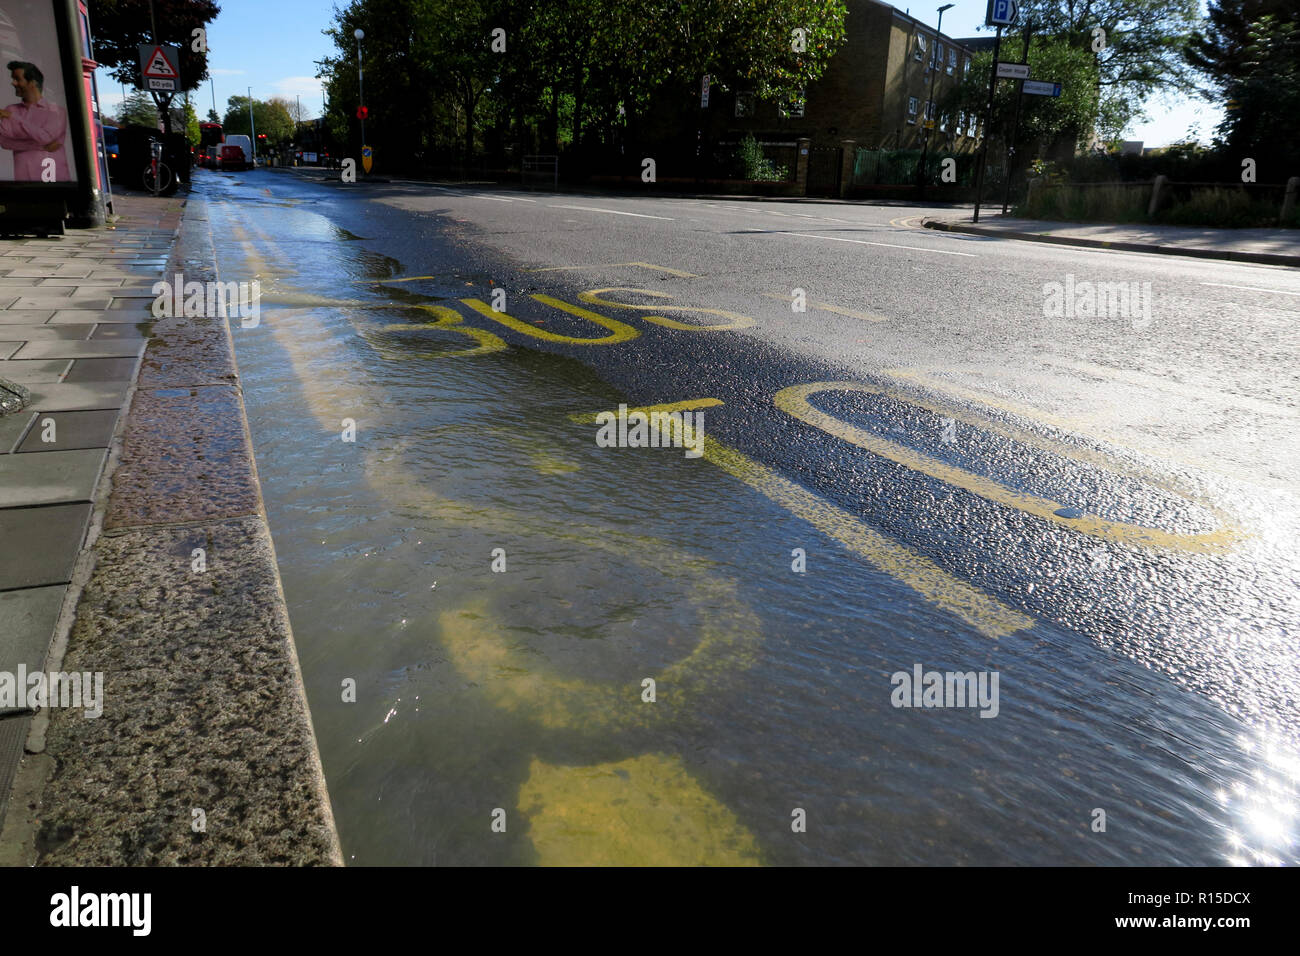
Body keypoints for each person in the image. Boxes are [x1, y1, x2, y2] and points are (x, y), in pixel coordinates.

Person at [0, 61, 70, 181]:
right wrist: (42, 147)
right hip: (23, 183)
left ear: (32, 83)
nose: (13, 83)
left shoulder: (56, 111)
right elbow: (4, 142)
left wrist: (14, 118)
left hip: (54, 182)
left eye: (17, 79)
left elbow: (46, 137)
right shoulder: (10, 109)